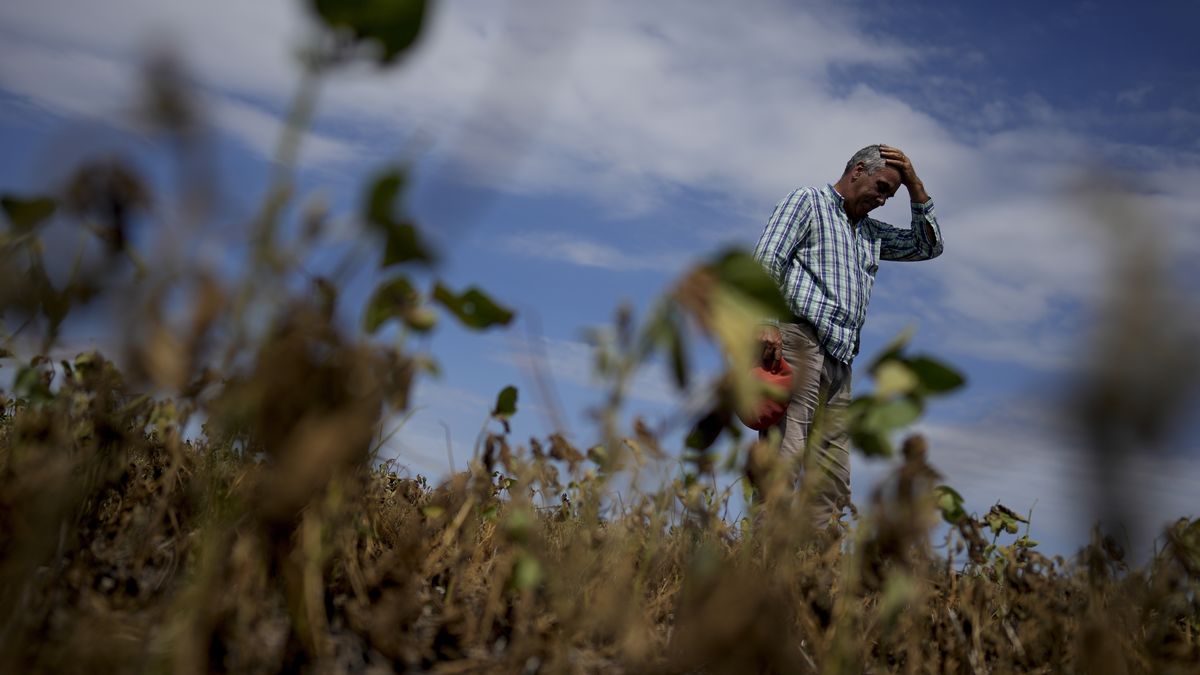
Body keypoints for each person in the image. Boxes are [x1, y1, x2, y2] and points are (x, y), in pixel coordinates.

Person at [751, 144, 943, 525]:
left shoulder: (872, 233)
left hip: (841, 361)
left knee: (832, 478)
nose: (884, 200)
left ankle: (814, 559)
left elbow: (927, 245)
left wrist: (915, 185)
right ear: (857, 171)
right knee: (785, 457)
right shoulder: (808, 201)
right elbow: (768, 257)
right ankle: (762, 555)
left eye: (891, 195)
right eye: (882, 188)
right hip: (798, 343)